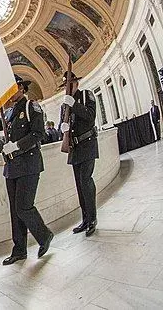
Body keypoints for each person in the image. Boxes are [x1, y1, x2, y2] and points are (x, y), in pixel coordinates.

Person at [0, 75, 53, 265]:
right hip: (12, 167)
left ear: (21, 88)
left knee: (23, 207)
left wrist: (17, 146)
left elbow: (38, 133)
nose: (8, 93)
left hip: (28, 164)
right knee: (15, 211)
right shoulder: (9, 112)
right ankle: (19, 249)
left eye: (11, 89)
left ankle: (44, 236)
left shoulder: (31, 106)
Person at [60, 72, 99, 237]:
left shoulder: (85, 95)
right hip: (74, 148)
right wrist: (62, 128)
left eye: (70, 84)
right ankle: (85, 219)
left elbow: (91, 116)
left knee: (86, 182)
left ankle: (92, 219)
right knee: (79, 186)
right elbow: (62, 123)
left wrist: (74, 104)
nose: (68, 88)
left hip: (88, 144)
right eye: (65, 85)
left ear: (76, 83)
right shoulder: (64, 105)